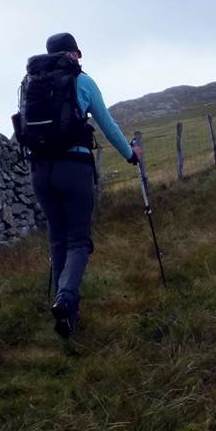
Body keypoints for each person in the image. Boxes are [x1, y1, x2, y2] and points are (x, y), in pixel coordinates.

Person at [23, 32, 140, 338]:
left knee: (58, 238)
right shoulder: (82, 80)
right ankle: (65, 299)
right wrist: (130, 155)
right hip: (73, 168)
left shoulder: (29, 82)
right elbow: (107, 123)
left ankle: (66, 312)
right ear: (73, 53)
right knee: (78, 240)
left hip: (39, 170)